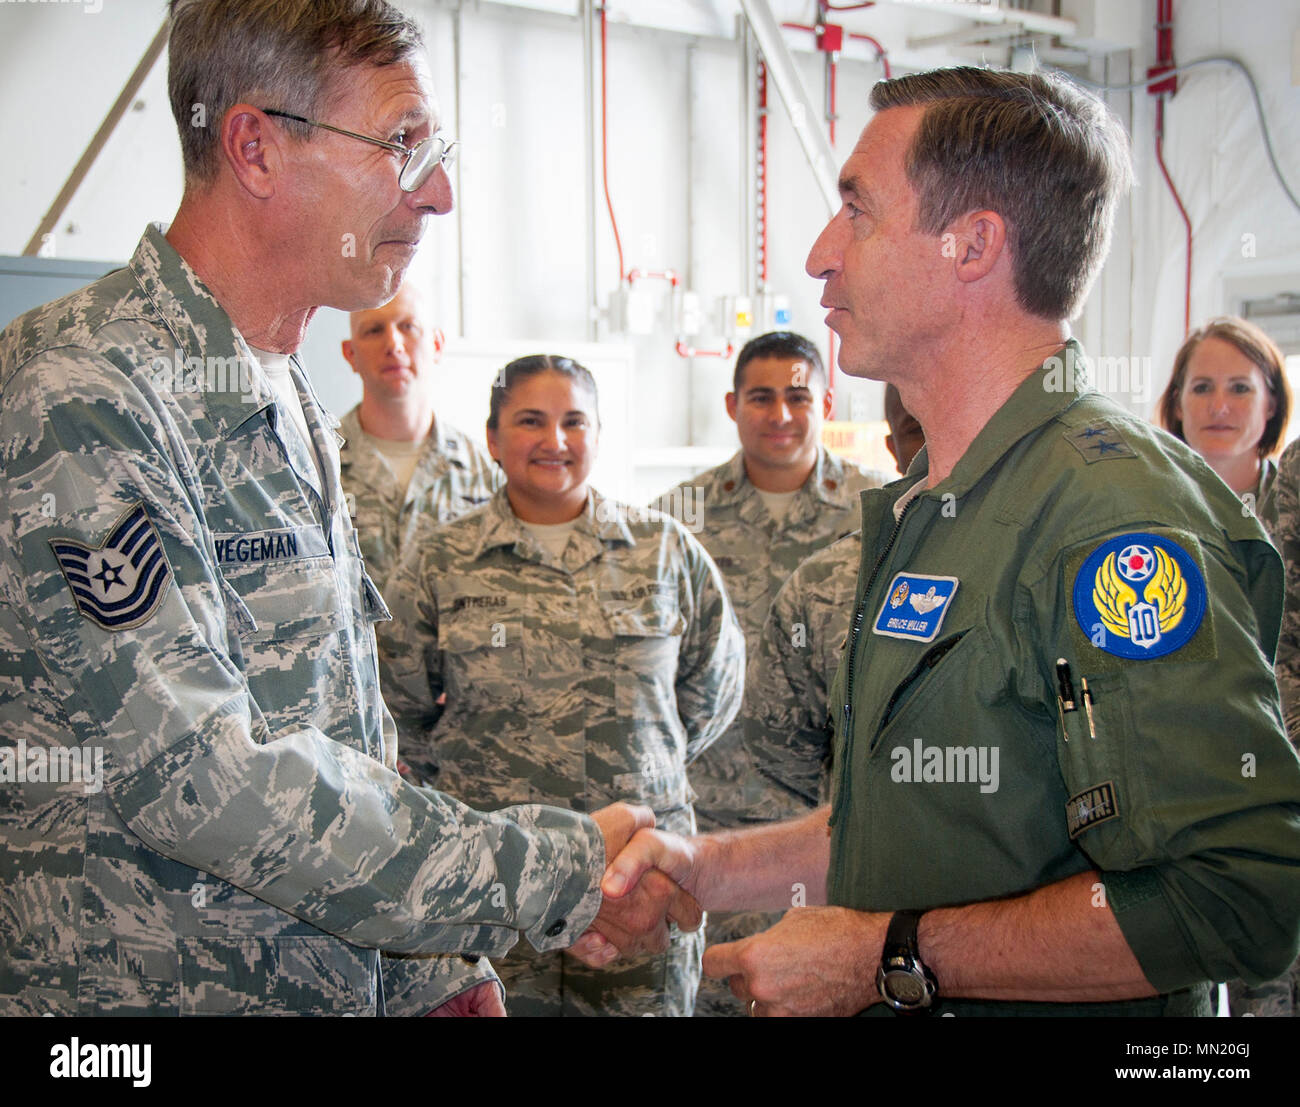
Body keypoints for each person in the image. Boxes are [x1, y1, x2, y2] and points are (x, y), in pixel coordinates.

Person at [0, 0, 693, 1017]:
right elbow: (198, 772)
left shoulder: (276, 388)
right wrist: (542, 874)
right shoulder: (84, 392)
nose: (442, 191)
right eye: (403, 145)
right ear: (256, 147)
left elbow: (336, 727)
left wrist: (427, 968)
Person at [589, 66, 1300, 1018]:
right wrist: (704, 867)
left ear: (972, 246)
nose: (818, 254)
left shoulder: (1111, 518)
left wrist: (884, 959)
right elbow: (917, 820)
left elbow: (1233, 895)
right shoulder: (941, 504)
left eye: (858, 211)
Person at [378, 355, 743, 1015]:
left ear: (599, 434)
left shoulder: (666, 551)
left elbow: (708, 697)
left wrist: (642, 757)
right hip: (494, 903)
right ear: (492, 437)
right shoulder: (438, 562)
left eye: (574, 421)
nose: (555, 440)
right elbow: (398, 713)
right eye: (530, 420)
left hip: (641, 893)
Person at [652, 330, 883, 1014]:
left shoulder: (880, 510)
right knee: (718, 991)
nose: (780, 414)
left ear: (825, 402)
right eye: (761, 397)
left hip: (832, 819)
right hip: (715, 815)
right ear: (731, 404)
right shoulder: (678, 516)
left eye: (797, 395)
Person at [744, 386, 924, 808]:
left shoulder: (1047, 555)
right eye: (916, 429)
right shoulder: (825, 582)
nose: (942, 444)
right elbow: (782, 758)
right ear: (892, 448)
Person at [339, 278, 500, 591]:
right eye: (374, 330)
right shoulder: (318, 465)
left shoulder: (484, 473)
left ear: (437, 344)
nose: (393, 344)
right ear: (350, 354)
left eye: (408, 326)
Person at [1157, 316, 1291, 523]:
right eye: (1202, 388)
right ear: (1177, 405)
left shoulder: (1293, 502)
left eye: (1240, 388)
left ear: (1271, 405)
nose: (1219, 408)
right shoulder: (1145, 498)